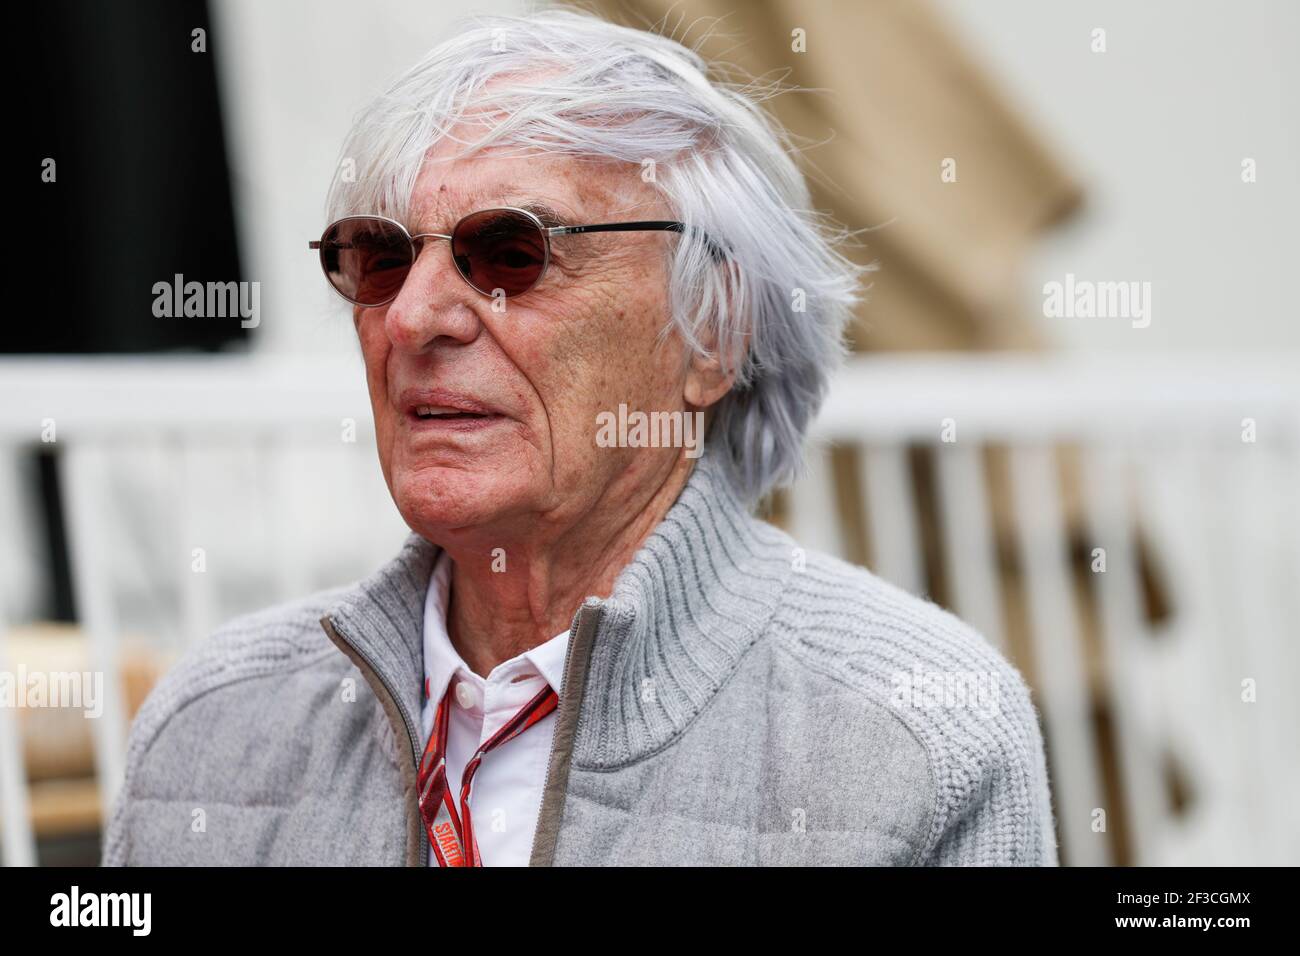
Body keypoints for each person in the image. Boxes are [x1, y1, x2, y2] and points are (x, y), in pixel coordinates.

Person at [105, 8, 1056, 866]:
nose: (415, 317)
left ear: (711, 331)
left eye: (512, 252)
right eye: (381, 257)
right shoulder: (212, 728)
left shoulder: (919, 724)